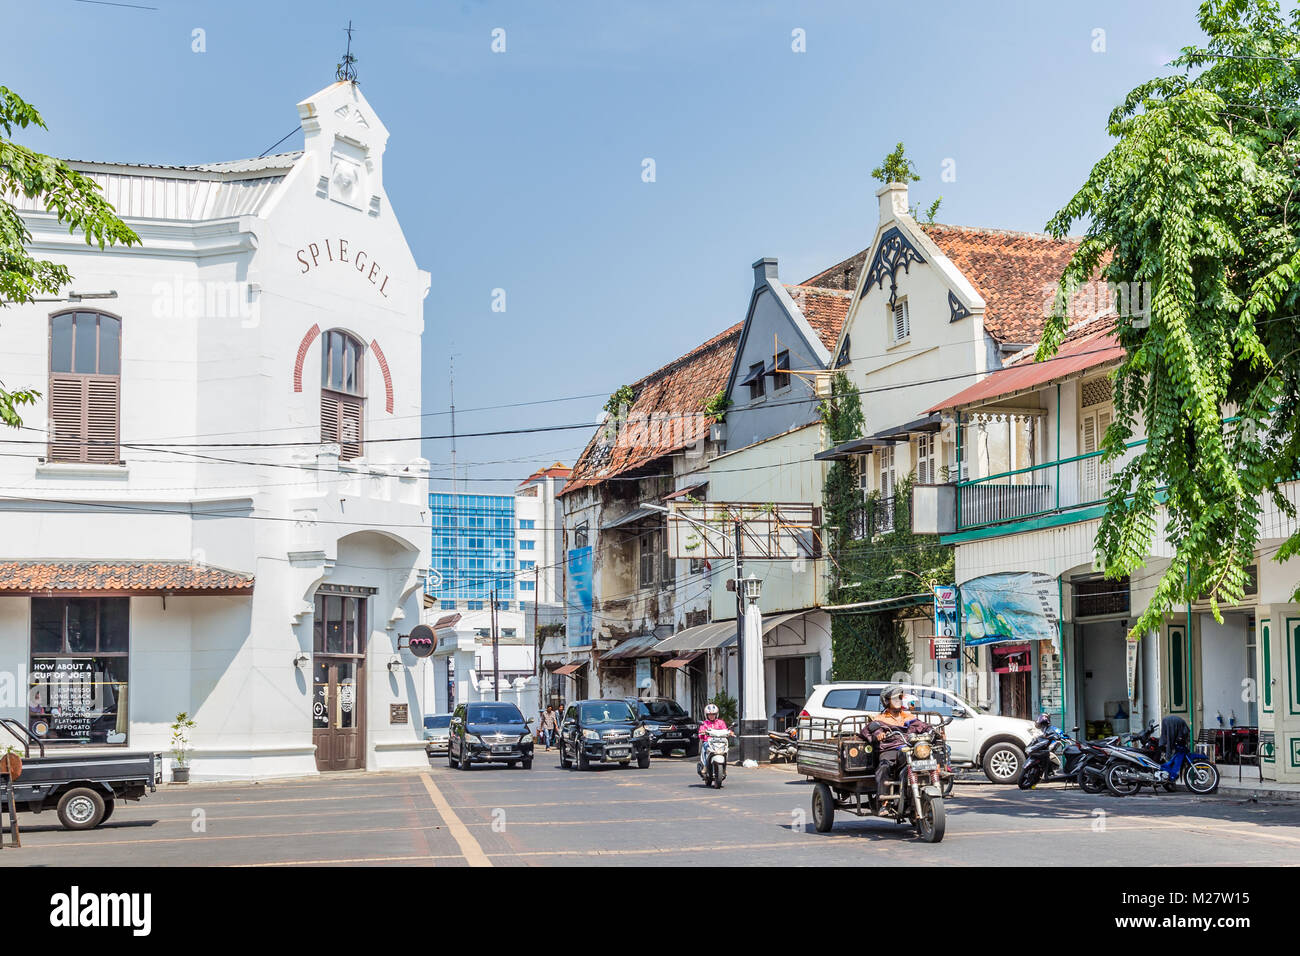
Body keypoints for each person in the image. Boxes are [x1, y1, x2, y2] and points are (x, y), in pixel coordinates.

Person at [864, 685, 939, 811]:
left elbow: (923, 726)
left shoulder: (908, 717)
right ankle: (884, 800)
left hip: (909, 748)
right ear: (886, 701)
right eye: (895, 698)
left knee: (932, 757)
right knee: (884, 767)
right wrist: (879, 734)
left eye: (900, 697)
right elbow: (872, 729)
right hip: (890, 749)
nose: (898, 700)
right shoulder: (880, 718)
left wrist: (933, 730)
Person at [696, 703, 733, 776]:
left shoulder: (721, 722)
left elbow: (725, 730)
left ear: (716, 714)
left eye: (713, 714)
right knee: (704, 746)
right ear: (706, 715)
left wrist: (730, 732)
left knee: (726, 750)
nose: (711, 716)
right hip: (709, 742)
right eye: (710, 715)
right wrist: (702, 732)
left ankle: (724, 767)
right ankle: (705, 766)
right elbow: (701, 732)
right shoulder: (704, 724)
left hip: (720, 741)